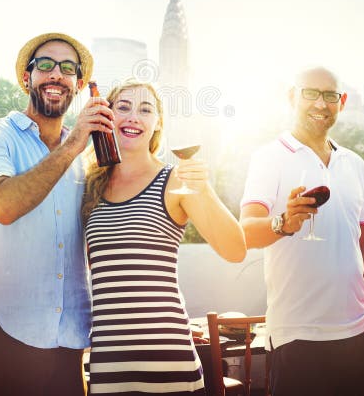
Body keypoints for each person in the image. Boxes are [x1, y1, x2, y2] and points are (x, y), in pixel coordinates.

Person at [0, 32, 114, 396]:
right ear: (26, 77)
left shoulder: (88, 154)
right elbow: (3, 206)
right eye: (45, 65)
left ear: (79, 84)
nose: (56, 74)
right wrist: (74, 143)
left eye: (68, 68)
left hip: (69, 335)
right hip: (3, 330)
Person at [83, 79, 246, 395]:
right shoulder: (90, 187)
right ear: (108, 116)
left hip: (168, 358)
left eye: (145, 110)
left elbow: (235, 249)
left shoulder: (175, 179)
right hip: (108, 360)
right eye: (123, 107)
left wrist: (203, 189)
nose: (133, 117)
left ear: (157, 123)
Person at [239, 66, 364, 396]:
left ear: (341, 102)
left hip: (361, 337)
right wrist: (284, 223)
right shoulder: (268, 157)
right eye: (310, 93)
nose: (321, 103)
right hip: (297, 338)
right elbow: (246, 232)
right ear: (292, 97)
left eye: (330, 95)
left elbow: (361, 243)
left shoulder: (354, 164)